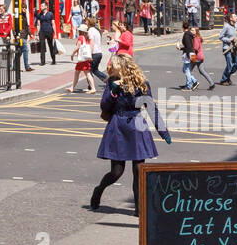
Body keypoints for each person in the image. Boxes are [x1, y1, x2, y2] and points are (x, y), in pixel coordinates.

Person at [90, 54, 171, 215]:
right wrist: (113, 92)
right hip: (118, 126)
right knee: (116, 173)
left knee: (138, 170)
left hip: (136, 126)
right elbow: (104, 106)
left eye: (113, 65)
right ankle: (98, 190)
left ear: (121, 67)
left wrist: (163, 132)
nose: (110, 68)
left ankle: (139, 208)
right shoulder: (112, 83)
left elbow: (151, 108)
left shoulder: (141, 84)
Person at [189, 25, 215, 89]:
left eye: (192, 30)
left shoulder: (195, 38)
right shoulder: (198, 37)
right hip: (200, 56)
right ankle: (212, 83)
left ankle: (192, 83)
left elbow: (195, 48)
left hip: (195, 56)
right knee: (202, 71)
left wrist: (190, 54)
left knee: (188, 71)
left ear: (196, 31)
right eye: (191, 30)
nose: (191, 31)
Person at [71, 25, 94, 93]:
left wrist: (72, 54)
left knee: (87, 74)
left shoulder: (81, 37)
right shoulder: (87, 38)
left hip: (82, 59)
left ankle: (93, 88)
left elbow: (78, 47)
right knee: (78, 73)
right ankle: (72, 87)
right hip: (84, 58)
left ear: (80, 31)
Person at [219, 17, 237, 84]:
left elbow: (233, 36)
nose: (236, 18)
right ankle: (224, 79)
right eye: (235, 16)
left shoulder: (234, 26)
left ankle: (227, 76)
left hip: (234, 48)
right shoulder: (226, 26)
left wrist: (236, 39)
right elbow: (220, 37)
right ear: (231, 18)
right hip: (227, 48)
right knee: (230, 65)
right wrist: (229, 40)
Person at [178, 20, 198, 91]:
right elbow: (189, 45)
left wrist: (182, 50)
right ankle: (194, 82)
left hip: (188, 54)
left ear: (183, 27)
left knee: (186, 70)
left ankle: (189, 85)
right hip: (192, 53)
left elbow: (188, 46)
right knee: (186, 70)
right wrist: (181, 48)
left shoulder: (186, 35)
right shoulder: (190, 34)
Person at [86, 17, 105, 83]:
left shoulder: (90, 30)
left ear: (89, 22)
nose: (85, 22)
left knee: (89, 70)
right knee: (95, 70)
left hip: (94, 53)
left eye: (86, 21)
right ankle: (107, 80)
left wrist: (89, 55)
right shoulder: (97, 30)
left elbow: (92, 43)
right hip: (99, 53)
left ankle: (91, 86)